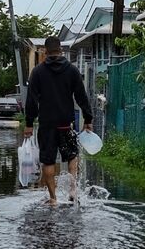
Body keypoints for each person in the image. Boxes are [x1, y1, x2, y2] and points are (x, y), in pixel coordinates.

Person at [23, 36, 93, 205]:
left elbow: (31, 100)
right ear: (61, 50)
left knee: (48, 160)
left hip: (47, 123)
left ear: (45, 52)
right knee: (72, 156)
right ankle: (73, 190)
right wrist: (88, 118)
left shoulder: (38, 72)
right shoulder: (72, 70)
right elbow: (81, 96)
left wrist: (29, 123)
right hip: (65, 123)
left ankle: (53, 199)